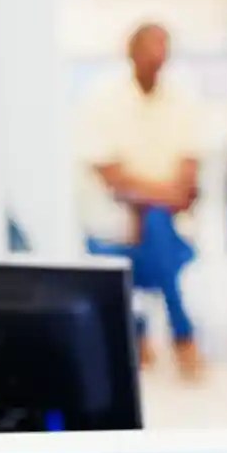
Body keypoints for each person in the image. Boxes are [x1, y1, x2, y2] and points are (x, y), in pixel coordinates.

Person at [78, 23, 203, 379]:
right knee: (156, 229)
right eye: (150, 48)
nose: (157, 57)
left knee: (156, 226)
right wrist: (161, 197)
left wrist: (156, 201)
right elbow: (113, 178)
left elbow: (189, 168)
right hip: (115, 217)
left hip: (167, 220)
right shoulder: (101, 98)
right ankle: (183, 335)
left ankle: (141, 330)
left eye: (163, 47)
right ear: (131, 52)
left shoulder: (183, 98)